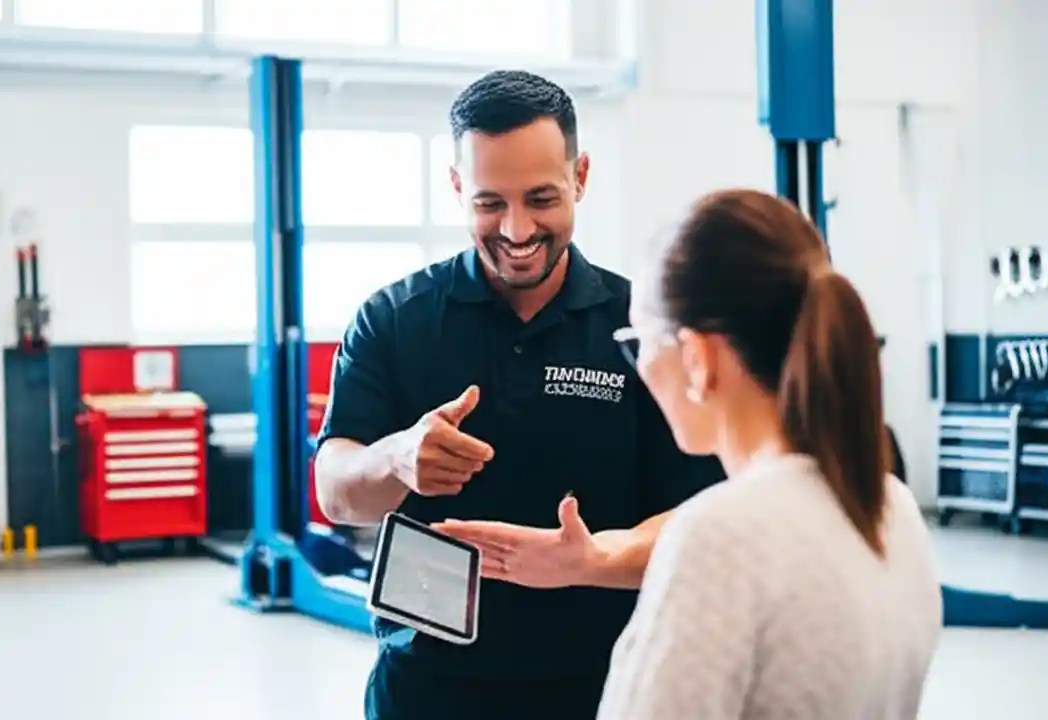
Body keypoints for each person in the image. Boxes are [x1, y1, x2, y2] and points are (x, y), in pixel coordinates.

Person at [437, 190, 944, 718]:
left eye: (641, 344)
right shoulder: (891, 508)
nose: (642, 368)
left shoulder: (719, 537)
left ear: (698, 357)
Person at [313, 70, 724, 720]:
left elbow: (700, 521)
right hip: (428, 687)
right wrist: (396, 457)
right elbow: (336, 494)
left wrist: (590, 560)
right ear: (457, 187)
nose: (517, 228)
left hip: (602, 687)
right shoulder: (393, 320)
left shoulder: (643, 327)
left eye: (540, 198)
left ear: (580, 177)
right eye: (489, 203)